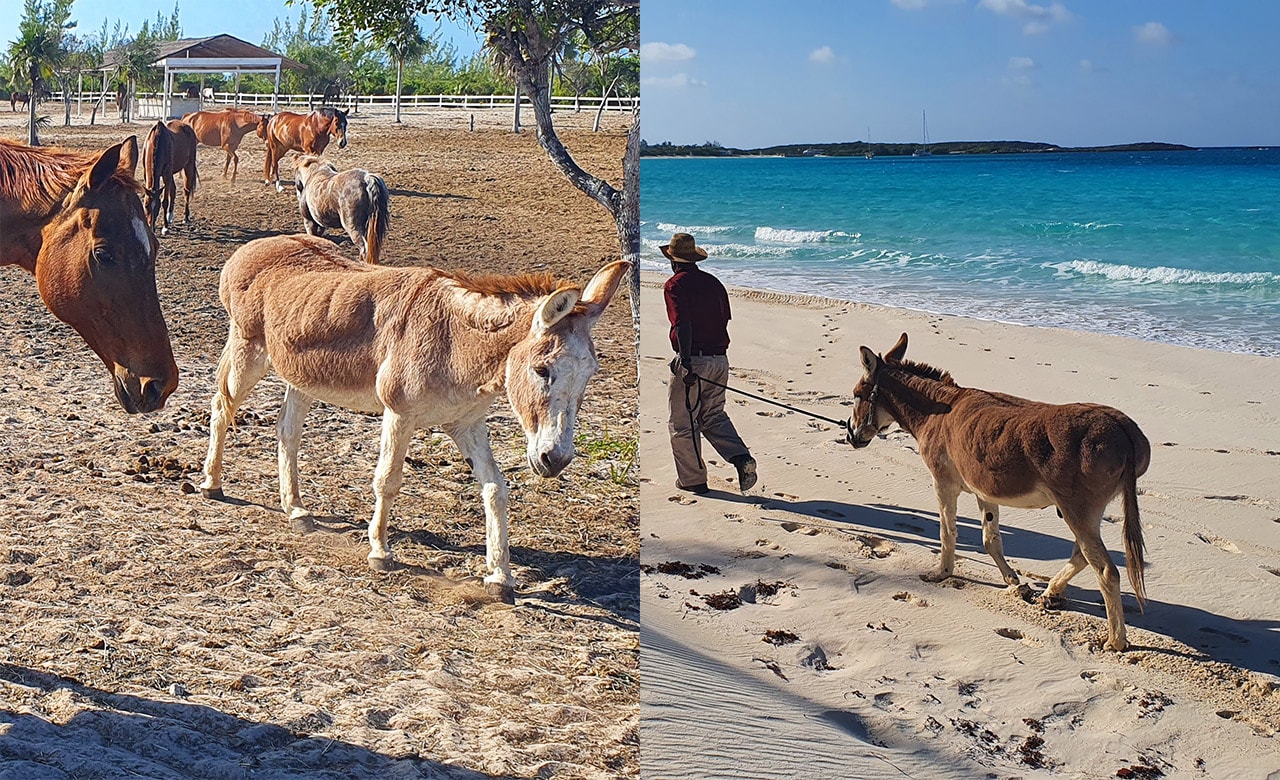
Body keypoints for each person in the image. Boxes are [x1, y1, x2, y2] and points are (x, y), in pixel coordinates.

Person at [662, 233, 757, 494]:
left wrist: (687, 361)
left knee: (682, 423)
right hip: (720, 359)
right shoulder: (714, 283)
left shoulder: (675, 285)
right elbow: (723, 320)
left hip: (694, 359)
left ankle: (692, 480)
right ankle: (741, 458)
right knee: (713, 415)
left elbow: (681, 324)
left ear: (673, 260)